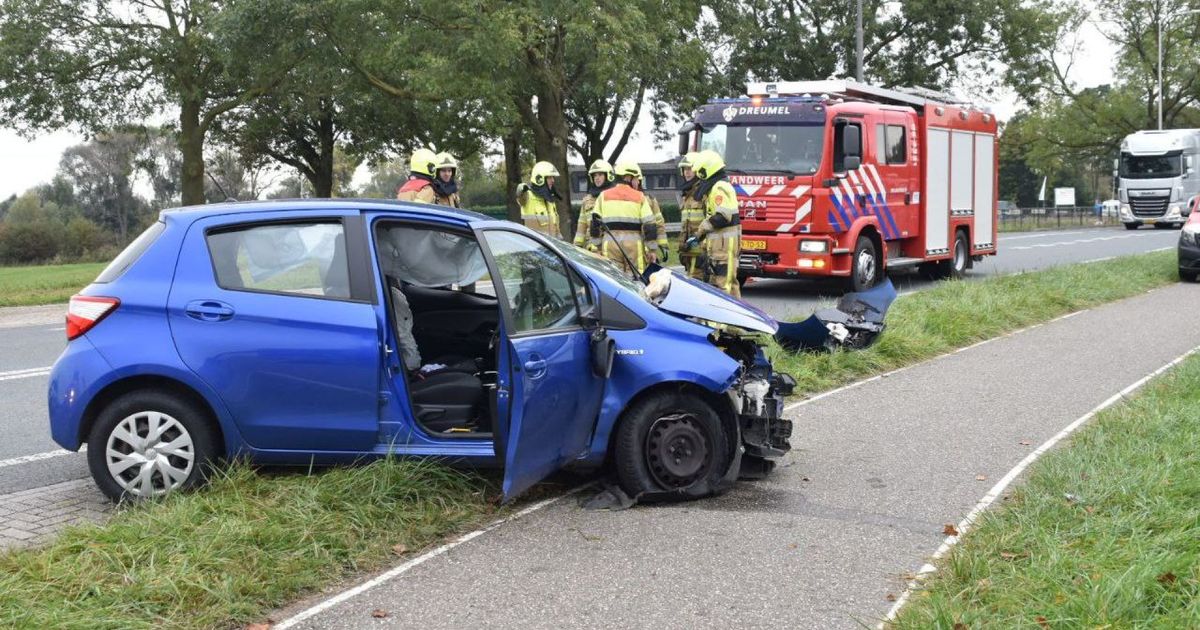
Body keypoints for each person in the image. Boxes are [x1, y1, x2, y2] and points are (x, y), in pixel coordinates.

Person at [684, 150, 742, 297]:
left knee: (723, 287)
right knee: (730, 286)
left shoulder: (719, 187)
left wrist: (700, 231)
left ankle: (722, 320)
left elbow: (722, 216)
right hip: (721, 246)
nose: (699, 176)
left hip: (724, 247)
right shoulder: (717, 186)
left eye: (700, 172)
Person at [589, 160, 660, 274]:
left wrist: (597, 246)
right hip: (634, 247)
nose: (638, 182)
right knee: (635, 280)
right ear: (628, 177)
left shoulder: (603, 196)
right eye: (636, 178)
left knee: (614, 279)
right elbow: (649, 225)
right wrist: (652, 249)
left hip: (610, 245)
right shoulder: (640, 197)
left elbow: (595, 224)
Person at [676, 152, 707, 279]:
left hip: (700, 251)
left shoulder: (703, 193)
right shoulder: (686, 195)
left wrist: (705, 249)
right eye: (684, 169)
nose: (687, 173)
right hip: (688, 251)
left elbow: (710, 222)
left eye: (690, 169)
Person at [573, 159, 616, 250]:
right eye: (595, 175)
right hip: (591, 251)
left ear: (608, 176)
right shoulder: (587, 200)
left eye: (600, 174)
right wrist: (577, 247)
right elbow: (582, 226)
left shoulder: (615, 198)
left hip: (610, 249)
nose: (597, 178)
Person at [516, 161, 562, 239]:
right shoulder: (528, 196)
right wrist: (521, 190)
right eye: (549, 177)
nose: (553, 180)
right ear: (539, 178)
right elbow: (520, 198)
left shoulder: (550, 200)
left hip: (551, 248)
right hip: (533, 248)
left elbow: (556, 230)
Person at [634, 172, 671, 265]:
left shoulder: (650, 199)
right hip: (632, 247)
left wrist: (663, 245)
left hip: (647, 248)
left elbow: (659, 223)